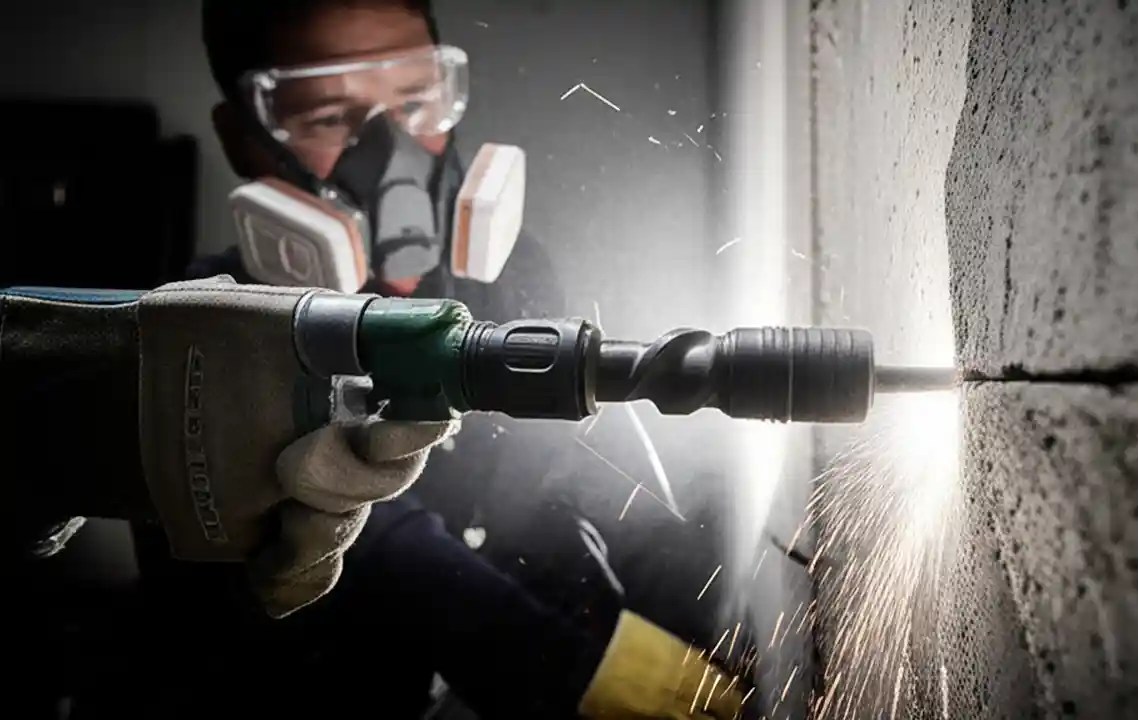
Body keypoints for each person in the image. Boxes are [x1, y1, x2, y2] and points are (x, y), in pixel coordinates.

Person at [1, 1, 750, 718]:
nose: (393, 151)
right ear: (243, 139)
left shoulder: (506, 278)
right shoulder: (199, 339)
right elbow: (388, 557)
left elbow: (552, 485)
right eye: (331, 117)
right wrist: (566, 670)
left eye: (417, 101)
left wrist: (687, 615)